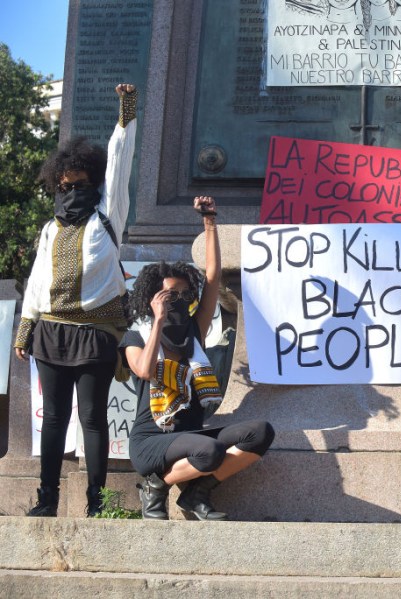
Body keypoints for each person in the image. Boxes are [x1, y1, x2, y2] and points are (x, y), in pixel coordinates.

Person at [15, 84, 138, 517]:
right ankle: (46, 500)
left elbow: (121, 164)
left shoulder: (108, 216)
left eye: (79, 185)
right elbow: (36, 280)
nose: (70, 193)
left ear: (93, 183)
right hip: (50, 332)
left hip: (95, 335)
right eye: (63, 187)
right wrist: (27, 325)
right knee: (52, 419)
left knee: (91, 418)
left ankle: (96, 503)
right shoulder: (51, 228)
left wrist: (126, 112)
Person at [122, 196, 275, 521]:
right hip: (152, 439)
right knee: (210, 450)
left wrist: (209, 222)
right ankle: (155, 485)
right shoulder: (137, 336)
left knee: (260, 432)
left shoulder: (194, 330)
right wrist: (159, 320)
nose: (175, 300)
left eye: (181, 294)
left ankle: (196, 493)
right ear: (152, 298)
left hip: (191, 433)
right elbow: (146, 371)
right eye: (167, 294)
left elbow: (212, 275)